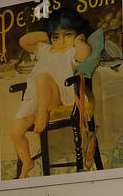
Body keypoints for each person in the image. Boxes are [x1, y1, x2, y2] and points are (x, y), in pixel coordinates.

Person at [10, 9, 92, 179]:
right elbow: (24, 41)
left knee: (42, 78)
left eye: (67, 35)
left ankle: (42, 115)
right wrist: (49, 35)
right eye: (56, 37)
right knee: (16, 130)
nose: (61, 41)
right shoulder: (45, 50)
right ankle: (27, 161)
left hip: (58, 96)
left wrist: (79, 40)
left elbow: (85, 54)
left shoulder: (71, 52)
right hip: (36, 99)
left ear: (76, 34)